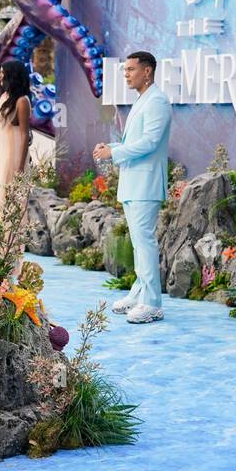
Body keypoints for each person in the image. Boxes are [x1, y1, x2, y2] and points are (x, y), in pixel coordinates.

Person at [93, 51, 172, 324]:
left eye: (130, 69)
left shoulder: (158, 101)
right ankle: (139, 293)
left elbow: (150, 142)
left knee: (145, 243)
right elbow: (136, 141)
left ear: (147, 71)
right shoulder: (143, 100)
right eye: (125, 70)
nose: (126, 74)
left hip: (146, 184)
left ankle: (152, 302)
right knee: (139, 245)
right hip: (134, 183)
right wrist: (112, 148)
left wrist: (113, 154)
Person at [0, 59, 32, 212]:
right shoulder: (5, 97)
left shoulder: (22, 101)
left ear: (12, 75)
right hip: (2, 156)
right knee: (0, 200)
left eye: (2, 72)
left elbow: (24, 135)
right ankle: (1, 236)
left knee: (11, 203)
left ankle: (12, 236)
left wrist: (20, 167)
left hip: (14, 158)